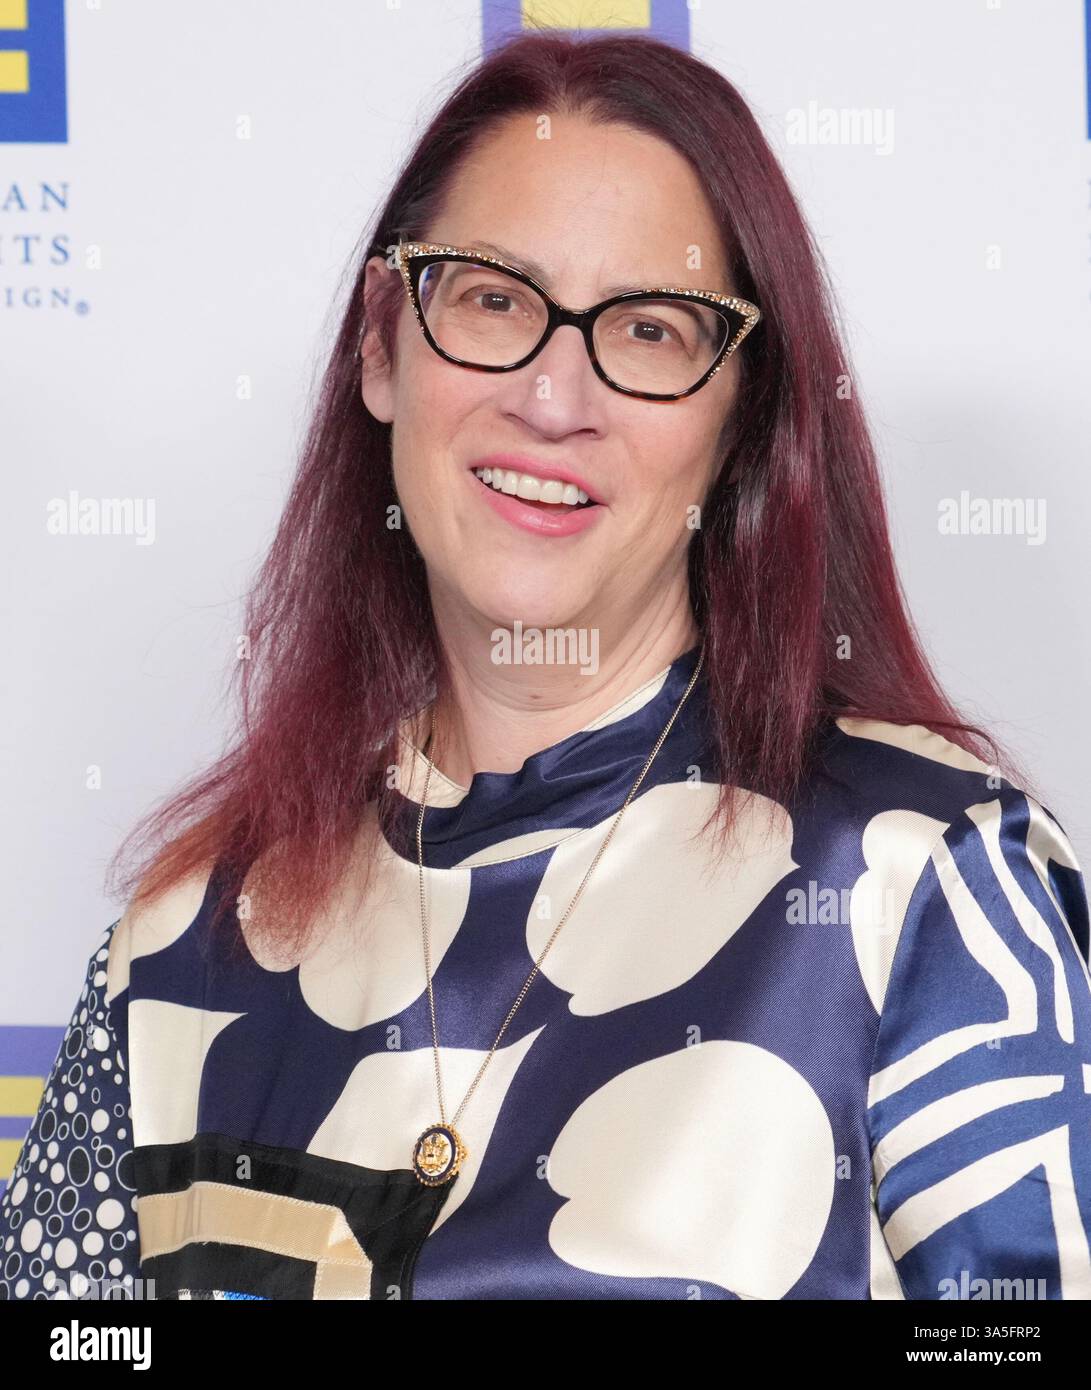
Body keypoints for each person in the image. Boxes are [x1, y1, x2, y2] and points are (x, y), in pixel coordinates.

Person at [3, 31, 1089, 1303]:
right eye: (492, 299)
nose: (553, 395)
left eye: (647, 328)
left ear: (739, 421)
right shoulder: (180, 945)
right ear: (378, 346)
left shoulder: (926, 881)